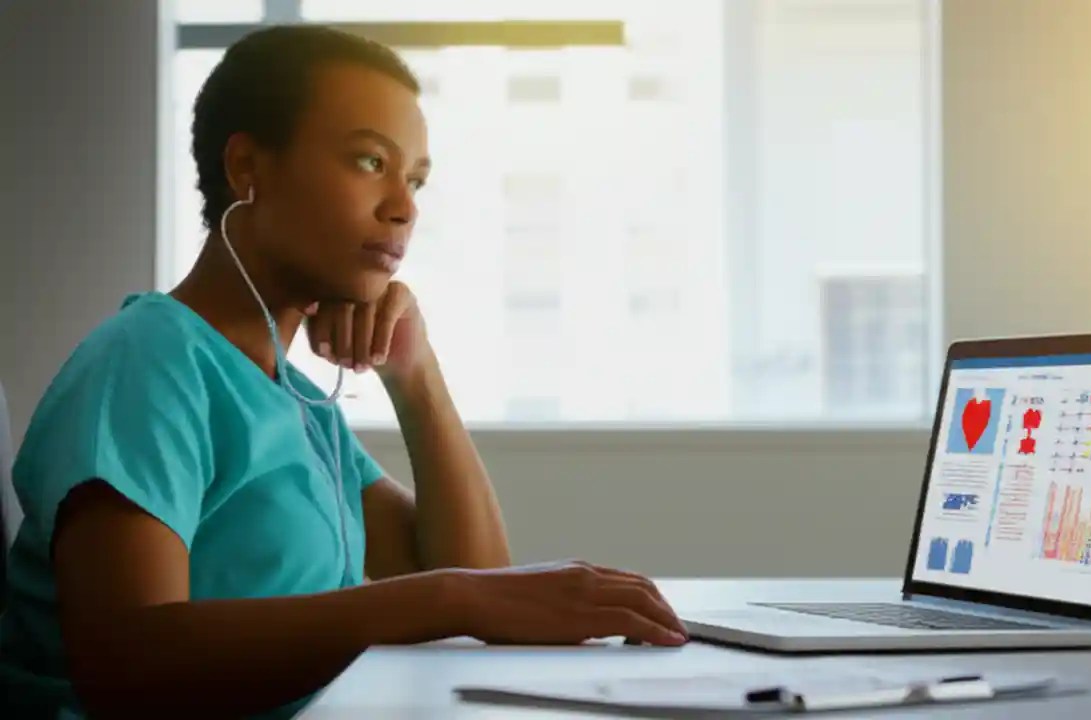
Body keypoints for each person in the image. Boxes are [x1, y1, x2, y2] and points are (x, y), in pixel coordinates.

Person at [0, 25, 687, 720]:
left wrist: (415, 375)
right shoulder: (149, 360)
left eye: (415, 179)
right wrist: (446, 598)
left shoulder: (292, 398)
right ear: (247, 168)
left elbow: (481, 580)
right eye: (369, 161)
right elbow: (126, 660)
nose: (405, 207)